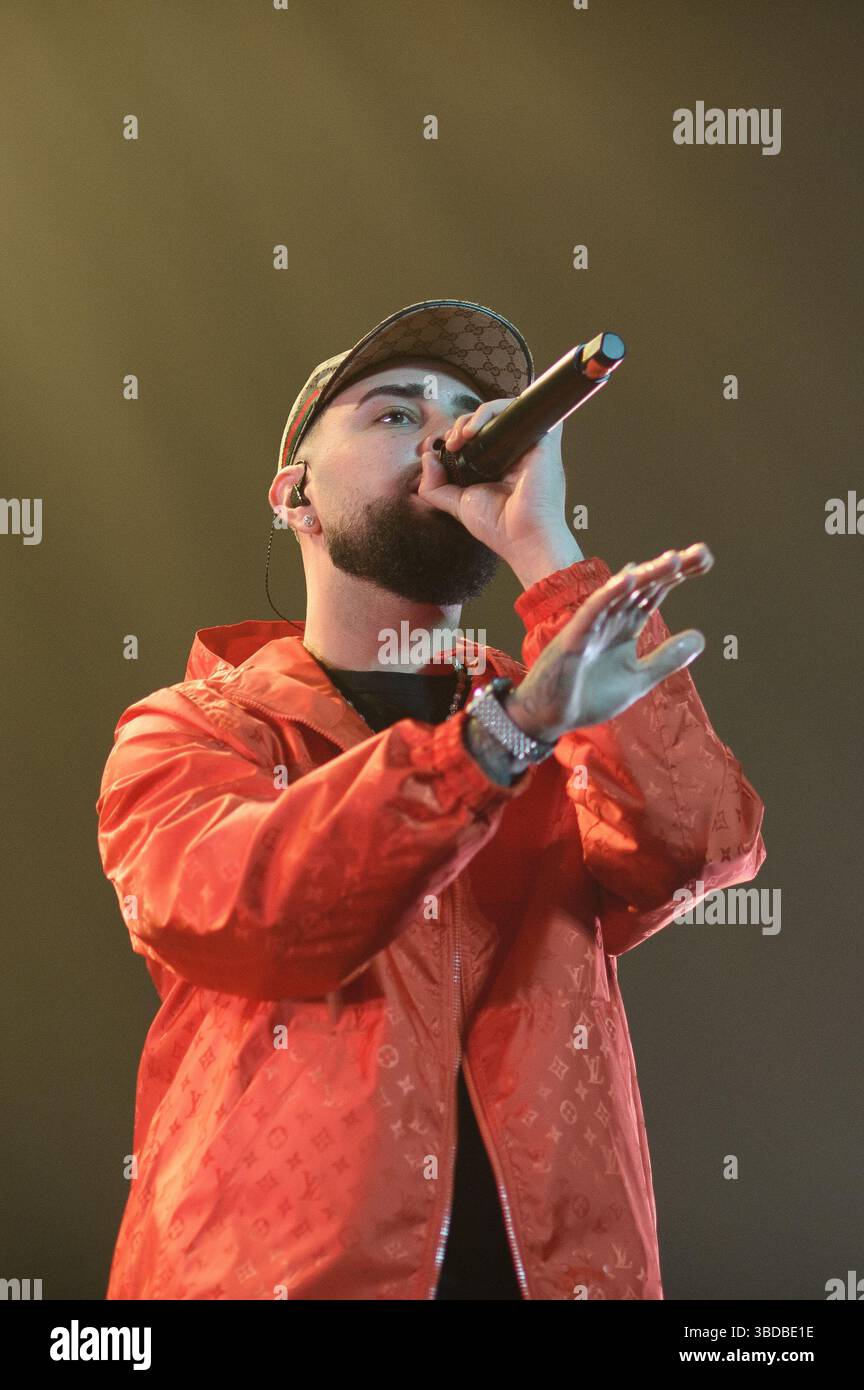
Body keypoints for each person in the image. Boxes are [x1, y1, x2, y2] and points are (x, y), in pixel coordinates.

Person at [96, 298, 766, 1300]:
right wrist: (500, 739)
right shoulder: (188, 730)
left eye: (467, 411)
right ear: (295, 495)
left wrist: (546, 550)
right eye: (394, 413)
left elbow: (698, 845)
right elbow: (260, 908)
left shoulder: (550, 712)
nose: (450, 432)